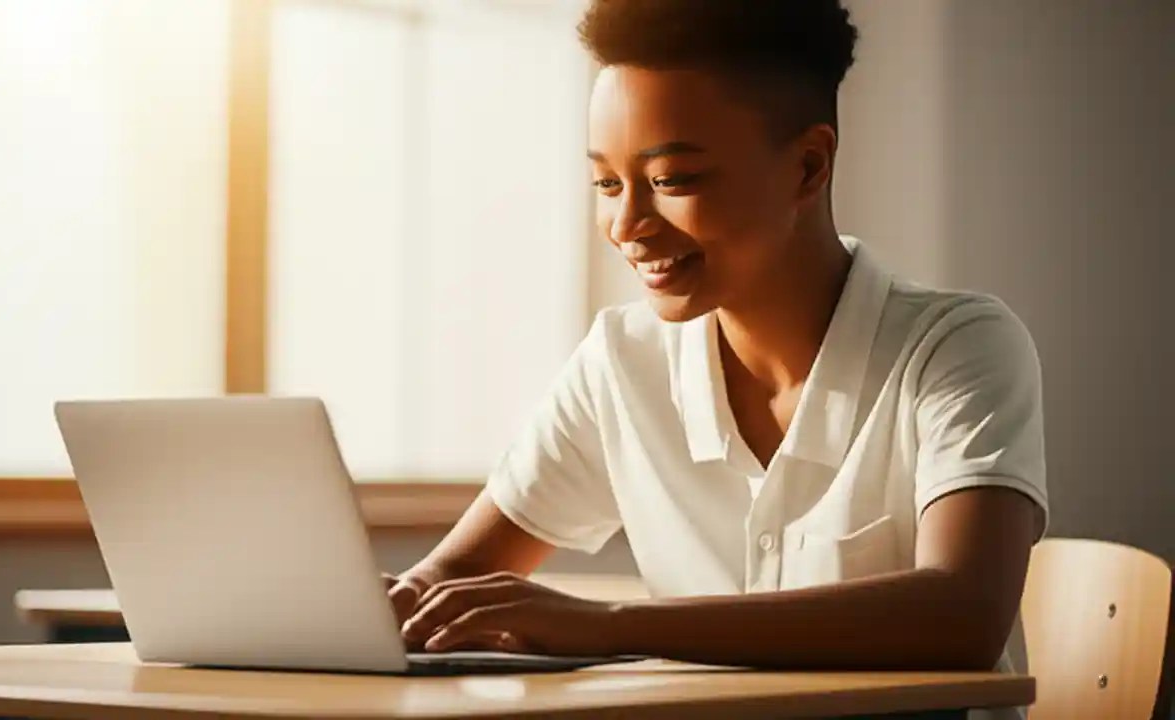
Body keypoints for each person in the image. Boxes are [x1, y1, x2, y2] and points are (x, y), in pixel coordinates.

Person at [389, 1, 1047, 716]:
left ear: (806, 166)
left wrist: (606, 627)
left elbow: (963, 616)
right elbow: (446, 581)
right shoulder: (622, 363)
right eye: (607, 184)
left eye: (671, 181)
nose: (626, 225)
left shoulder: (957, 346)